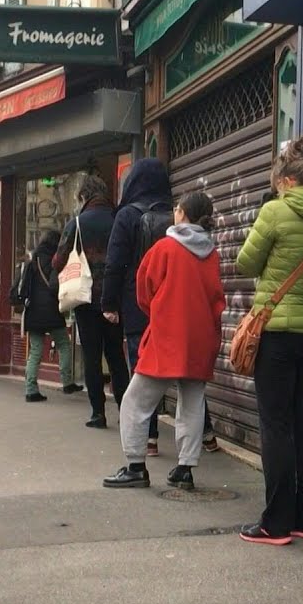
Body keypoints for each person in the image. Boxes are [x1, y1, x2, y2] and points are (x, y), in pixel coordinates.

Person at [235, 137, 303, 545]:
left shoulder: (275, 212)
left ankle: (276, 523)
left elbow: (246, 262)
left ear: (287, 180)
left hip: (277, 331)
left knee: (276, 424)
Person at [102, 192, 225, 491]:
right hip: (201, 338)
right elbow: (217, 300)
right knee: (192, 403)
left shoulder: (164, 249)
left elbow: (144, 291)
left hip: (166, 335)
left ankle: (135, 465)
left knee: (136, 401)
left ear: (181, 213)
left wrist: (160, 312)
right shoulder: (212, 254)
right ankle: (185, 468)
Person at [55, 173, 131, 429]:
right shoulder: (118, 219)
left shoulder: (76, 223)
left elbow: (58, 260)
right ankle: (126, 411)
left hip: (86, 301)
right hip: (114, 299)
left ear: (84, 196)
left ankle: (98, 413)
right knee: (116, 357)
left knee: (91, 355)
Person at [22, 230, 82, 402]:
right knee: (63, 344)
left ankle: (31, 390)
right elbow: (55, 286)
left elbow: (22, 287)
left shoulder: (32, 260)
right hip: (52, 310)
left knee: (35, 351)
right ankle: (67, 382)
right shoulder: (56, 260)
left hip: (33, 310)